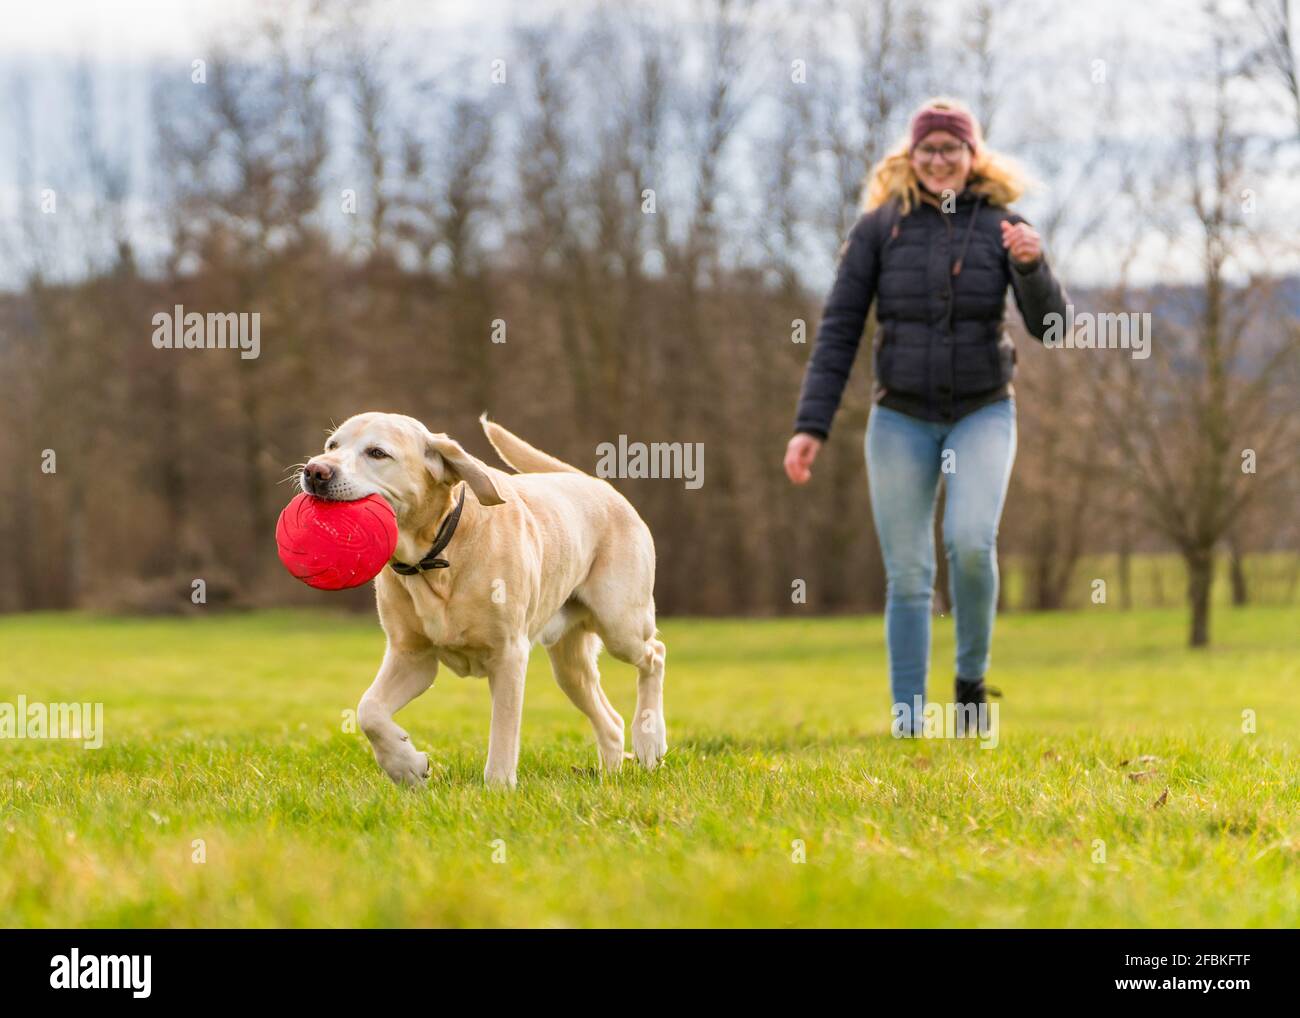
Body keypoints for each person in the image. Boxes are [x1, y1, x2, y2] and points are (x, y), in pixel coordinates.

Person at [784, 97, 1069, 735]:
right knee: (909, 572)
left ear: (974, 157)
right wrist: (811, 426)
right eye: (929, 148)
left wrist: (1033, 267)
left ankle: (970, 690)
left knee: (970, 543)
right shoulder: (877, 230)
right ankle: (911, 718)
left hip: (983, 410)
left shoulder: (1003, 227)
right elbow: (837, 331)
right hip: (901, 418)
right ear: (910, 158)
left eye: (952, 148)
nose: (940, 159)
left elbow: (1051, 328)